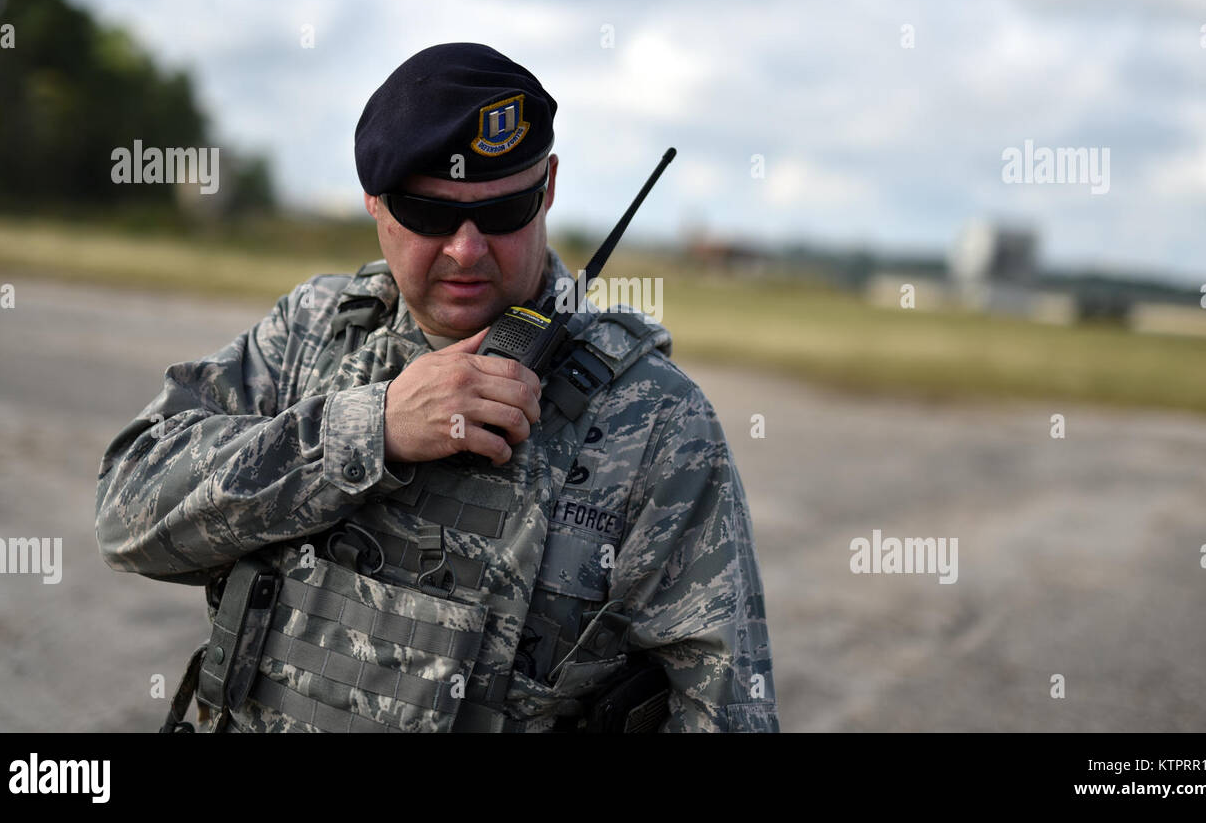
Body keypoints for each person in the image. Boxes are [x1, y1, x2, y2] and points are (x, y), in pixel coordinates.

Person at [94, 42, 779, 733]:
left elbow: (726, 708)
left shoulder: (654, 418)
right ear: (374, 201)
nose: (467, 249)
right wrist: (371, 429)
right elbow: (126, 520)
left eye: (505, 209)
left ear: (548, 188)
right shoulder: (310, 332)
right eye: (428, 215)